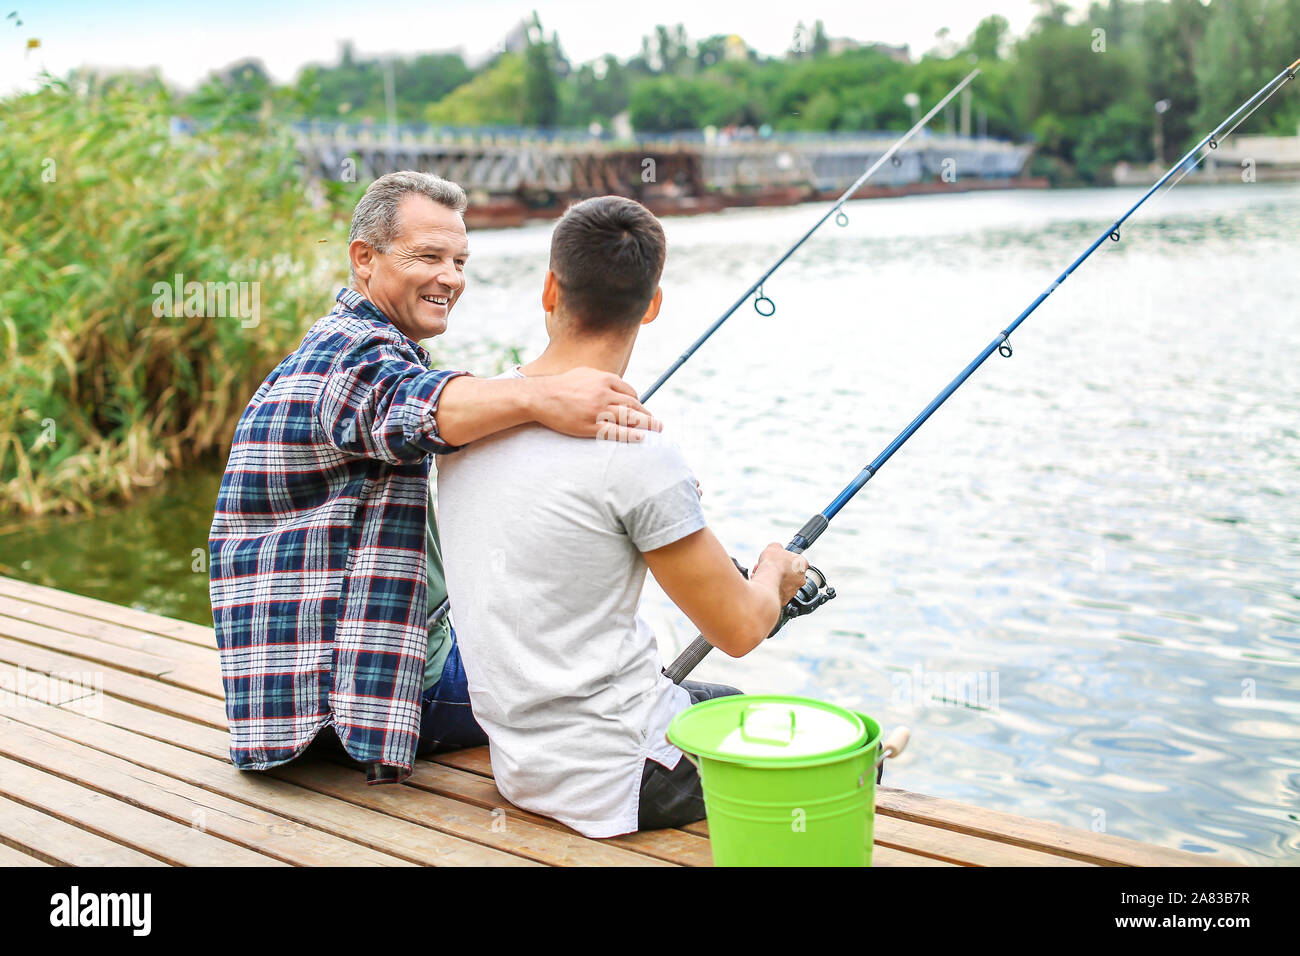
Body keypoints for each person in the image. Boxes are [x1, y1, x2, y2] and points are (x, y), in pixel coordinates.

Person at [208, 172, 662, 785]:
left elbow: (422, 405)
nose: (451, 277)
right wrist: (542, 397)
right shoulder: (348, 359)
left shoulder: (350, 347)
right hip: (360, 707)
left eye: (459, 260)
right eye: (428, 256)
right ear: (364, 260)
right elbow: (419, 404)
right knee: (623, 673)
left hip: (298, 705)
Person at [437, 195, 808, 837]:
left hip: (520, 762)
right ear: (654, 302)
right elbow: (742, 630)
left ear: (549, 288)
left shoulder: (472, 415)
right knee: (822, 749)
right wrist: (776, 570)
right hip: (617, 777)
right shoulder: (639, 453)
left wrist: (667, 506)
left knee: (730, 707)